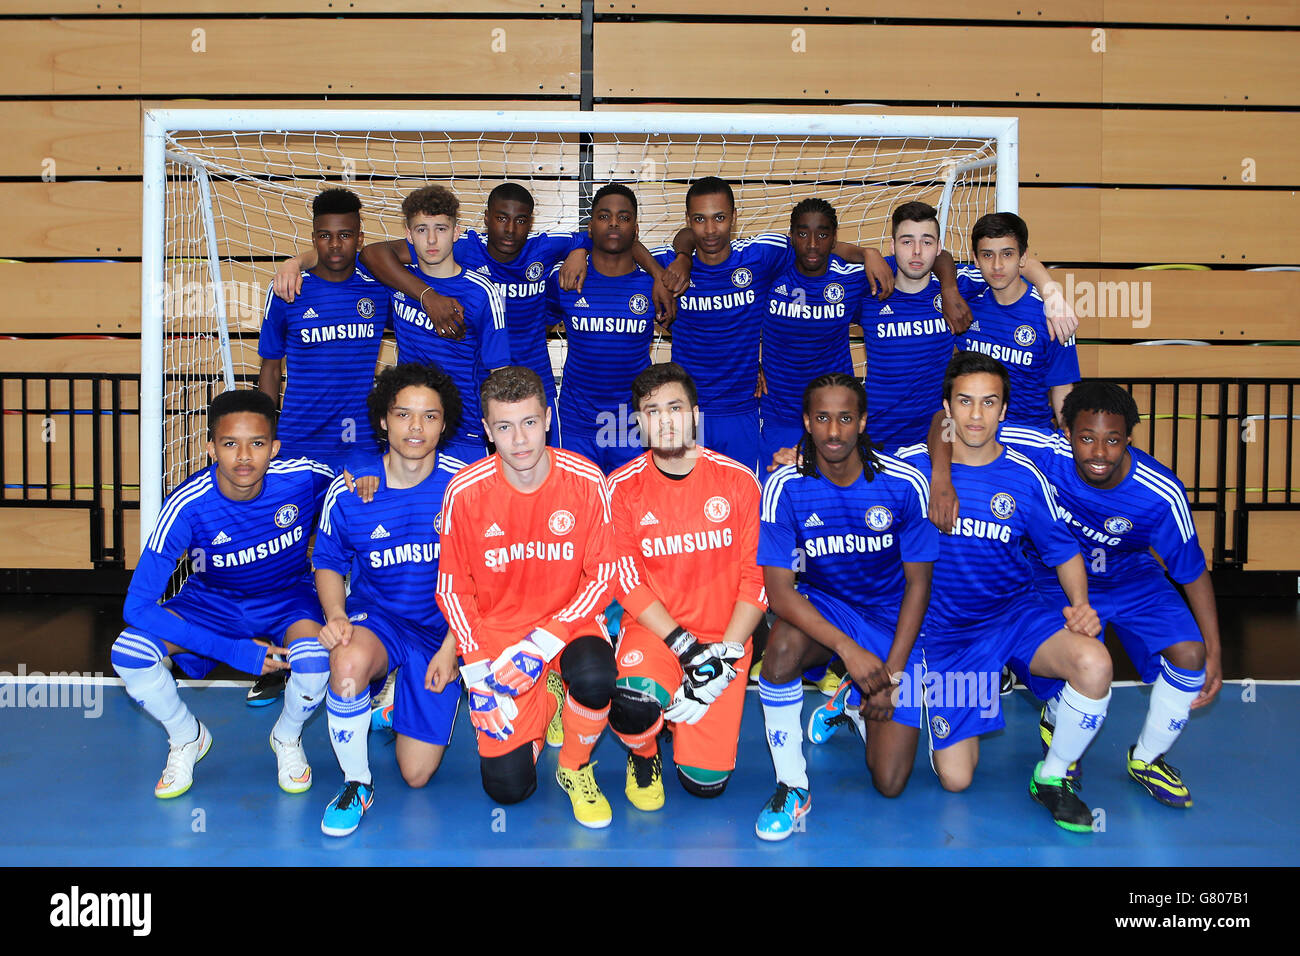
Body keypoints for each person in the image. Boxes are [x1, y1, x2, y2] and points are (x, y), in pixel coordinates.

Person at [904, 352, 1112, 831]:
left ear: (1003, 411)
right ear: (947, 408)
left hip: (1013, 617)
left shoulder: (1024, 476)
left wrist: (1080, 606)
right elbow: (848, 478)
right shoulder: (911, 471)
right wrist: (800, 458)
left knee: (1095, 663)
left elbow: (1063, 552)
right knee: (957, 780)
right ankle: (911, 694)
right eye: (965, 402)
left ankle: (1053, 775)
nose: (976, 415)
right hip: (948, 638)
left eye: (989, 403)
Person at [993, 383, 1222, 807]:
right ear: (1065, 432)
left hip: (1132, 579)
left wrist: (1215, 650)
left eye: (1112, 440)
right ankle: (1058, 721)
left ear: (1128, 439)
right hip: (1050, 577)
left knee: (1191, 656)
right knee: (1085, 660)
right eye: (1086, 438)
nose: (1099, 453)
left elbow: (1192, 573)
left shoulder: (1160, 492)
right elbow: (953, 426)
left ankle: (1148, 759)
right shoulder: (1040, 449)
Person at [110, 389, 333, 798]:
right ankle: (186, 736)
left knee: (315, 661)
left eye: (258, 444)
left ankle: (287, 736)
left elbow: (357, 478)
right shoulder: (185, 505)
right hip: (210, 604)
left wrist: (368, 471)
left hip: (288, 600)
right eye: (230, 444)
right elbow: (136, 605)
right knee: (130, 654)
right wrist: (235, 652)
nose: (244, 456)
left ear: (275, 448)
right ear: (211, 448)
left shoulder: (304, 477)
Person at [754, 373, 937, 840]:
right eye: (822, 418)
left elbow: (919, 586)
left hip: (889, 620)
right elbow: (779, 594)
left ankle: (849, 701)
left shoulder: (904, 484)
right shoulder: (784, 486)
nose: (833, 431)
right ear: (806, 423)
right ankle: (792, 784)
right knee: (778, 655)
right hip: (826, 608)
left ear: (862, 423)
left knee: (891, 782)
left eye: (845, 418)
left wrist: (890, 675)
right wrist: (850, 653)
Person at [436, 366, 619, 828]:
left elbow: (604, 576)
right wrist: (476, 673)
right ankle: (547, 705)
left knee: (597, 678)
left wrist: (542, 645)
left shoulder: (586, 479)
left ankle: (575, 766)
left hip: (568, 623)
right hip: (498, 635)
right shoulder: (465, 492)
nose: (519, 440)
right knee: (509, 789)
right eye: (504, 426)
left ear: (548, 418)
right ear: (486, 430)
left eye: (530, 423)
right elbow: (453, 590)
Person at [640, 177, 895, 472]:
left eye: (720, 218)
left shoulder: (762, 256)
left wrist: (868, 254)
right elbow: (627, 247)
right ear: (688, 220)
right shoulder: (668, 265)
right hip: (685, 413)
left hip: (743, 412)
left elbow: (815, 245)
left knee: (745, 500)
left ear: (734, 218)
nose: (710, 230)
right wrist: (676, 261)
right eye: (700, 219)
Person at [312, 364, 466, 836]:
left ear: (445, 424)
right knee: (347, 663)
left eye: (429, 417)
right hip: (379, 619)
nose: (415, 428)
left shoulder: (463, 487)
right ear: (383, 420)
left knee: (417, 776)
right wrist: (336, 615)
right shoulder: (351, 489)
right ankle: (357, 781)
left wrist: (452, 649)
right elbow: (328, 562)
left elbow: (482, 578)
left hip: (443, 631)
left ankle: (395, 704)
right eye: (403, 415)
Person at [251, 187, 390, 707]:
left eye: (346, 234)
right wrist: (265, 438)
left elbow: (416, 250)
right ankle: (280, 659)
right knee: (287, 554)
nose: (335, 245)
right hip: (296, 444)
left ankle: (363, 658)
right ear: (314, 238)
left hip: (358, 448)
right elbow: (270, 368)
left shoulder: (378, 289)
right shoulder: (288, 291)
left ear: (359, 237)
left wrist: (299, 255)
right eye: (324, 237)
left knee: (360, 550)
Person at [605, 362, 764, 810]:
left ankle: (679, 716)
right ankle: (645, 752)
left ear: (695, 414)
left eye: (675, 408)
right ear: (638, 422)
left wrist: (724, 658)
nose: (666, 420)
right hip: (658, 634)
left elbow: (758, 580)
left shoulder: (737, 481)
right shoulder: (622, 488)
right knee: (633, 706)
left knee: (704, 786)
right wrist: (686, 650)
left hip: (723, 640)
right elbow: (628, 581)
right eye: (652, 411)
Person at [547, 183, 658, 474]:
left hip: (633, 426)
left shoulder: (652, 287)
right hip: (577, 424)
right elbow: (526, 329)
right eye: (604, 216)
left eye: (623, 217)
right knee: (579, 515)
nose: (613, 223)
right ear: (591, 226)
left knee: (632, 517)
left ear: (635, 228)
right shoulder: (567, 280)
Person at [757, 199, 869, 467]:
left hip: (833, 421)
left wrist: (870, 254)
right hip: (779, 415)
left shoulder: (851, 278)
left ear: (833, 239)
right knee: (777, 500)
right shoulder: (769, 274)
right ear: (791, 236)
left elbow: (929, 260)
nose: (812, 244)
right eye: (803, 233)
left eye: (822, 234)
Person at [956, 212, 1079, 430]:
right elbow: (928, 262)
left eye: (1007, 254)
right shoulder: (964, 300)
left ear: (1023, 258)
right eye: (987, 255)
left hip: (1031, 437)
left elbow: (1062, 390)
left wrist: (1070, 443)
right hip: (974, 437)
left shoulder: (1052, 314)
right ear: (975, 259)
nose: (997, 265)